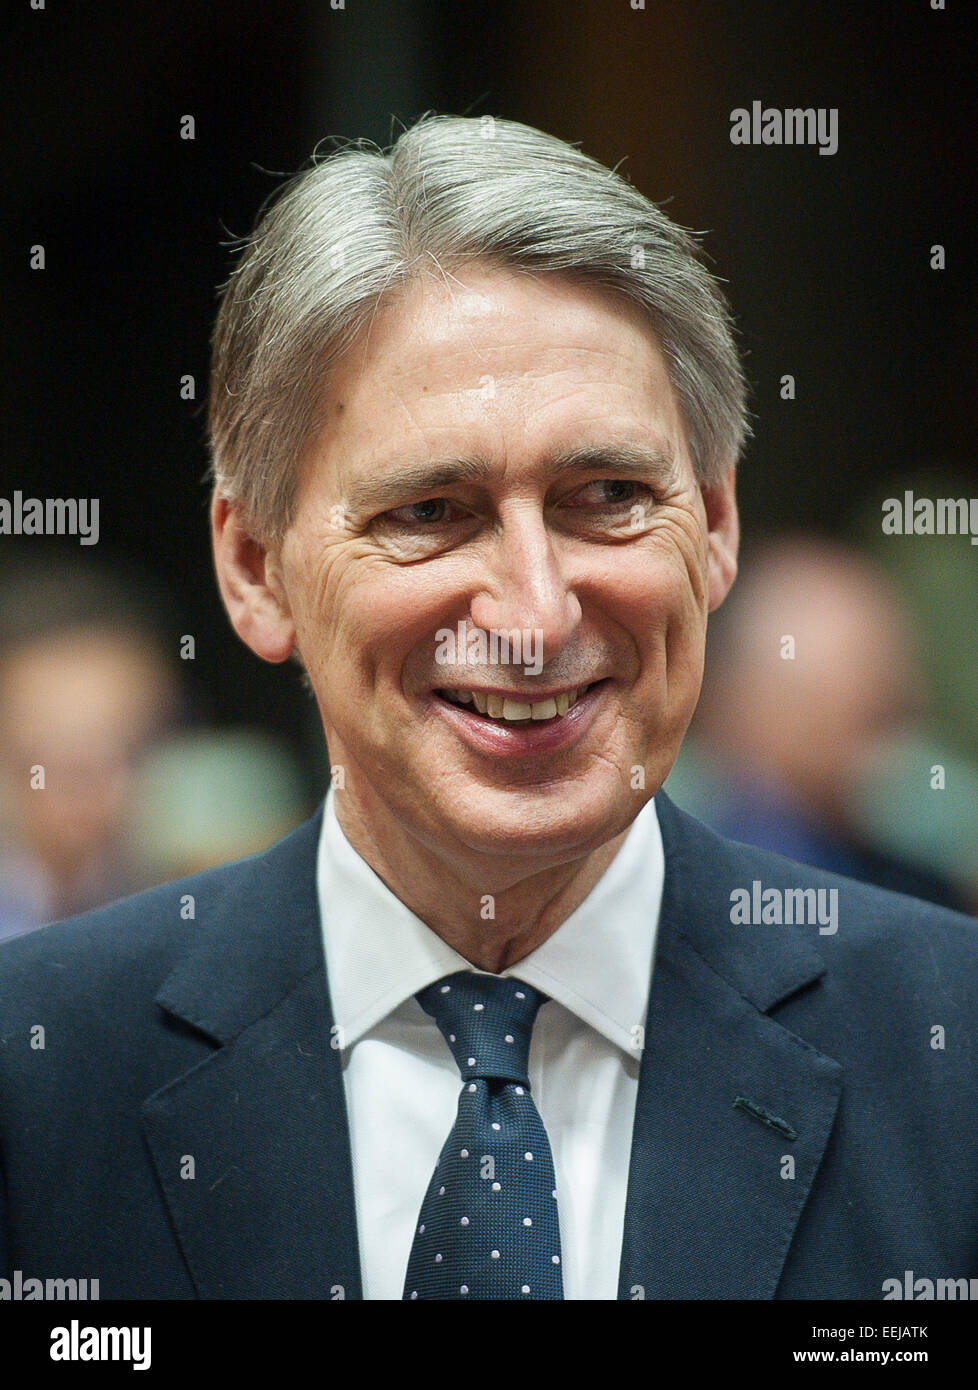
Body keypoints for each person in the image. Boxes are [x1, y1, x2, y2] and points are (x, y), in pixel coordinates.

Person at [1, 115, 976, 1302]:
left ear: (715, 528)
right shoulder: (37, 1073)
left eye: (607, 495)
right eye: (431, 511)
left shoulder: (951, 1052)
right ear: (256, 569)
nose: (533, 612)